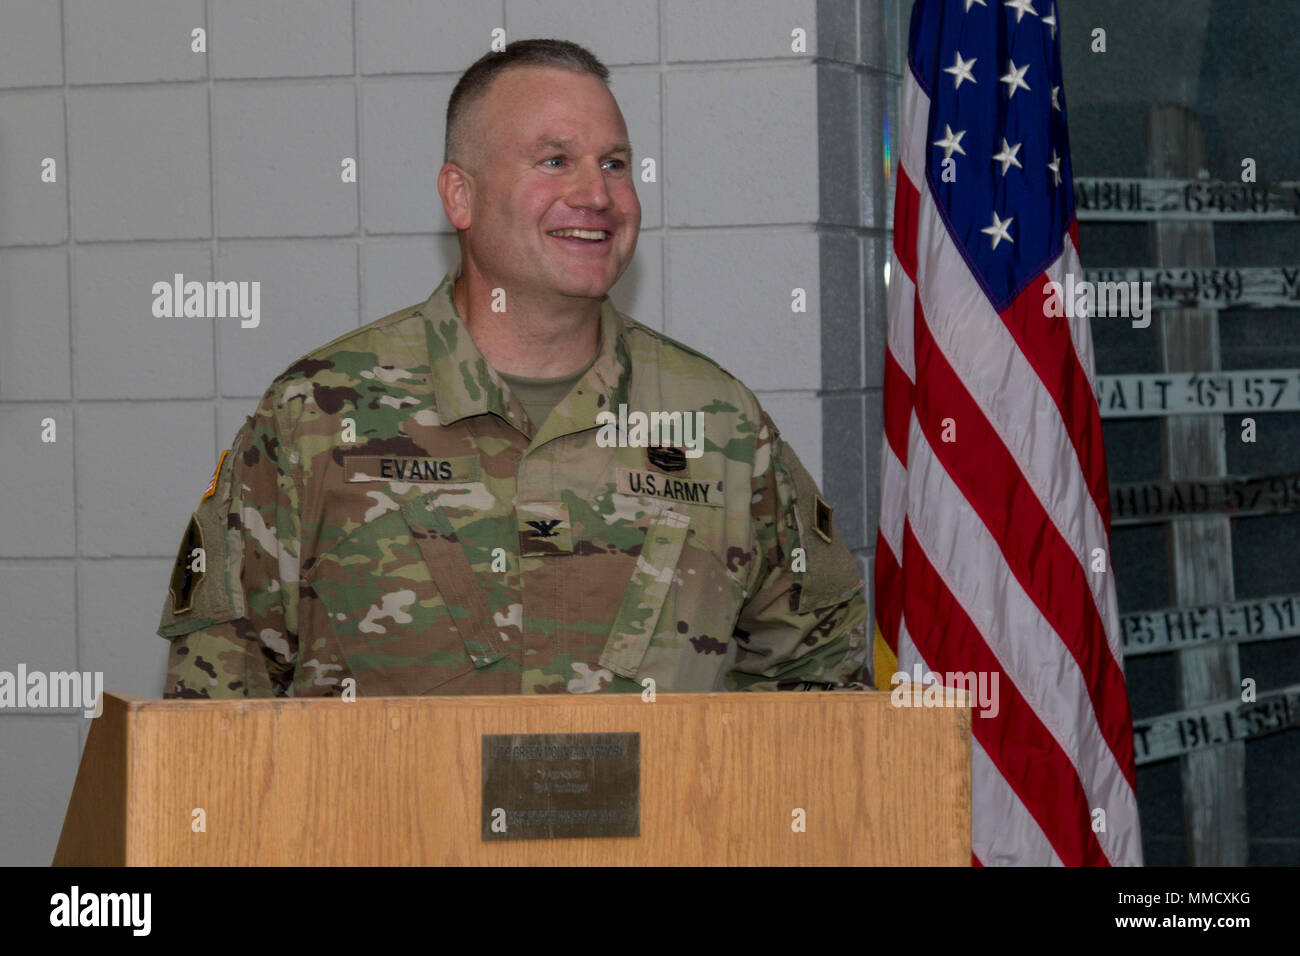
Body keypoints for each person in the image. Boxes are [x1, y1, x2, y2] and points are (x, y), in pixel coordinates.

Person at [158, 38, 869, 698]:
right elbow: (215, 713)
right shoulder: (316, 419)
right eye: (555, 160)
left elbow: (824, 682)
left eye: (615, 164)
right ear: (459, 195)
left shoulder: (722, 424)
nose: (597, 195)